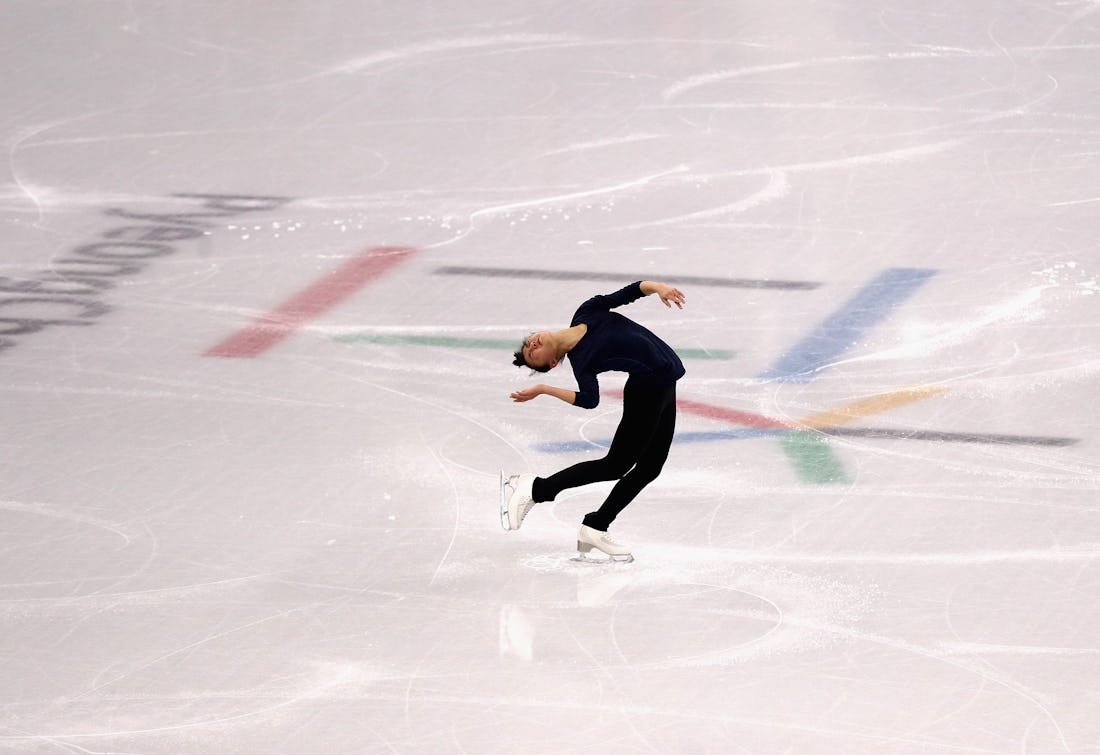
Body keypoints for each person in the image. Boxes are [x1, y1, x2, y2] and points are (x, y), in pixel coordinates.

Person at [504, 280, 686, 562]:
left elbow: (629, 293)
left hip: (664, 383)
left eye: (529, 343)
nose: (532, 344)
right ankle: (536, 488)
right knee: (616, 466)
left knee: (650, 468)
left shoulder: (587, 312)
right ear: (552, 363)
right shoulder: (583, 361)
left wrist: (658, 288)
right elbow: (590, 399)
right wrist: (543, 389)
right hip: (646, 390)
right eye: (532, 353)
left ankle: (596, 525)